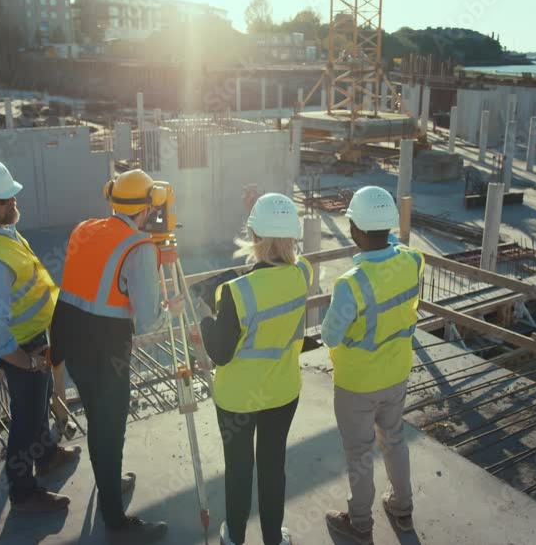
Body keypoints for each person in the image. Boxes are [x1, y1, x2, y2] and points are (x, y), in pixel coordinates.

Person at [50, 169, 180, 541]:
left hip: (72, 341)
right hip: (107, 350)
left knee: (98, 418)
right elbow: (148, 322)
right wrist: (174, 307)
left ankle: (109, 482)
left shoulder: (85, 228)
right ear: (150, 204)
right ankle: (115, 520)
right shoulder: (139, 248)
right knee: (111, 428)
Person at [0, 156, 81, 513]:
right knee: (25, 421)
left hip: (34, 337)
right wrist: (24, 360)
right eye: (2, 199)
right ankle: (23, 493)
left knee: (39, 407)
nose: (11, 202)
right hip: (20, 347)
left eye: (11, 195)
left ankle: (49, 456)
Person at [199, 193, 312, 545]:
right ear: (292, 237)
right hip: (281, 392)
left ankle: (234, 535)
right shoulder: (303, 273)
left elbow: (220, 352)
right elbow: (269, 280)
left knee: (239, 469)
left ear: (253, 237)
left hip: (237, 400)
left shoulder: (235, 292)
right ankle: (273, 538)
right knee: (272, 466)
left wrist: (204, 320)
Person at [321, 186, 424, 544]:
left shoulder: (351, 284)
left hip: (357, 385)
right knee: (394, 439)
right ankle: (402, 506)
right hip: (397, 374)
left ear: (355, 230)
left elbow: (331, 336)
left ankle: (360, 523)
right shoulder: (413, 261)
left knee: (360, 453)